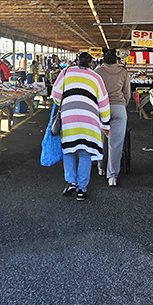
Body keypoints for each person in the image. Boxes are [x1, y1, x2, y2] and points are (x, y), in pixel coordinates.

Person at [52, 52, 111, 201]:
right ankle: (81, 190)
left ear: (77, 61)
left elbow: (56, 94)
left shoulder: (65, 72)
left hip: (69, 117)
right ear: (91, 63)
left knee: (69, 149)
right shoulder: (96, 77)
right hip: (89, 120)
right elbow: (104, 102)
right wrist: (105, 124)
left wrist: (65, 103)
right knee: (85, 153)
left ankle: (71, 181)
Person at [95, 48, 131, 186]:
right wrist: (122, 105)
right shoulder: (123, 72)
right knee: (115, 143)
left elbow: (94, 91)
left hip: (101, 108)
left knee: (102, 138)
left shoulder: (97, 72)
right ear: (117, 59)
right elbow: (127, 93)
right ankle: (112, 176)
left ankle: (100, 167)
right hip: (119, 109)